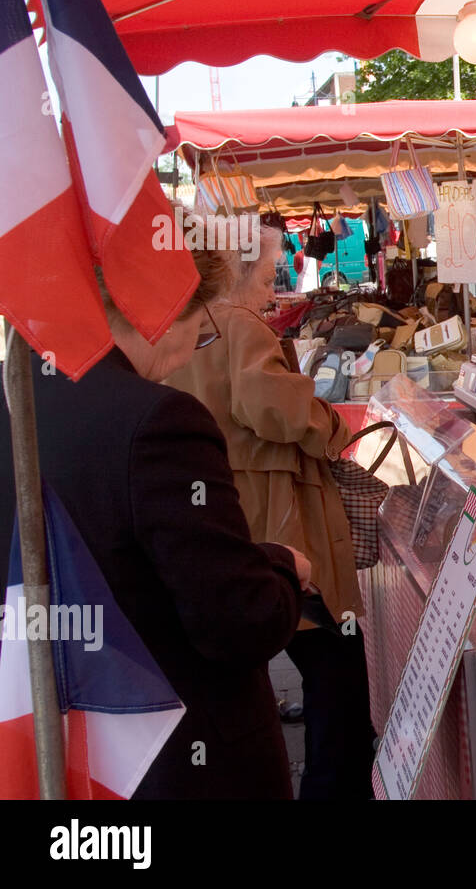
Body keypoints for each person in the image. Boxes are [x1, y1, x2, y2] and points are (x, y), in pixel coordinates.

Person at [0, 221, 311, 799]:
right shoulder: (160, 423)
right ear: (161, 313)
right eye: (200, 332)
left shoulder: (17, 395)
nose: (190, 352)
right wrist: (283, 569)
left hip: (56, 737)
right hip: (175, 756)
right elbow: (236, 620)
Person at [167, 225, 376, 799]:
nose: (270, 285)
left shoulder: (181, 328)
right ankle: (335, 789)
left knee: (269, 664)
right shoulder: (236, 323)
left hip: (229, 511)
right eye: (265, 273)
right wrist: (331, 426)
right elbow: (273, 407)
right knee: (336, 671)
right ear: (236, 270)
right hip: (275, 516)